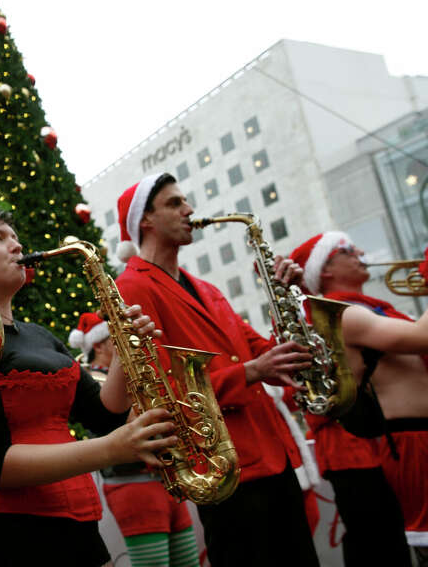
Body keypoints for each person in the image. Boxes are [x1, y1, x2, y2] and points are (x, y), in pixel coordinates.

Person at [0, 205, 178, 567]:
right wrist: (111, 449)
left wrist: (126, 349)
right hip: (5, 534)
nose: (17, 245)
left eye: (15, 236)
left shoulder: (40, 336)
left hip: (79, 525)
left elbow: (104, 416)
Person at [107, 173, 320, 567]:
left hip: (272, 458)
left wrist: (291, 298)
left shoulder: (208, 289)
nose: (189, 210)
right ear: (145, 220)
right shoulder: (132, 286)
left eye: (184, 201)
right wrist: (251, 372)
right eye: (174, 203)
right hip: (225, 469)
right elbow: (162, 392)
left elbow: (266, 355)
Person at [291, 231, 428, 564]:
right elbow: (421, 337)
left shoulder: (376, 309)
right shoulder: (345, 314)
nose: (361, 252)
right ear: (325, 269)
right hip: (411, 441)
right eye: (348, 249)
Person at [70, 313, 200, 567]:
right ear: (98, 346)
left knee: (188, 562)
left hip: (164, 481)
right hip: (132, 484)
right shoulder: (92, 380)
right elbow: (123, 421)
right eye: (114, 339)